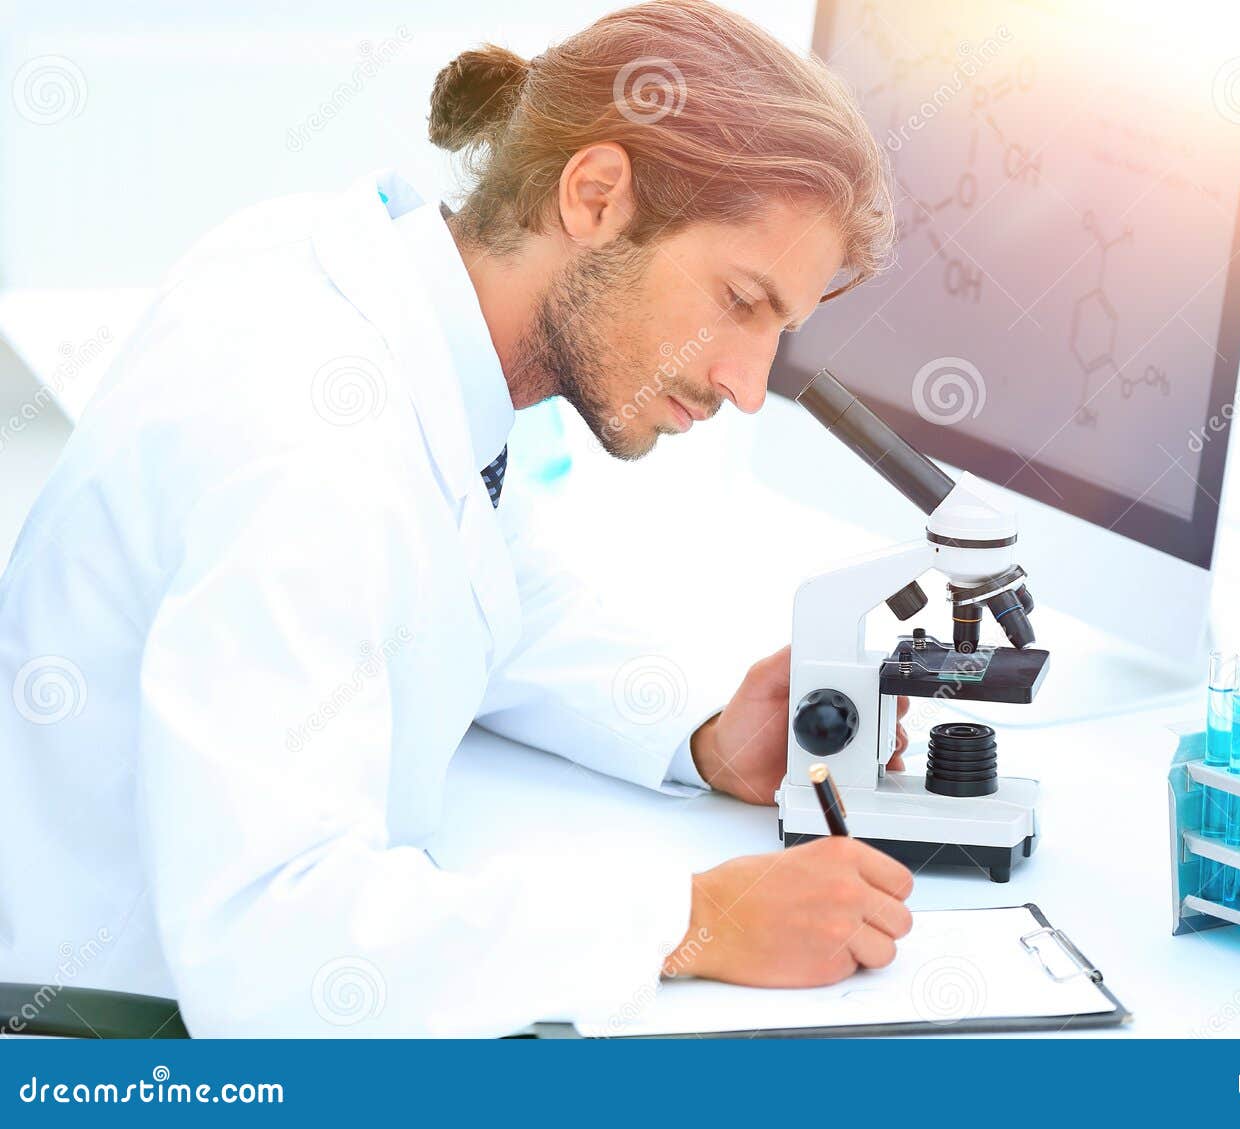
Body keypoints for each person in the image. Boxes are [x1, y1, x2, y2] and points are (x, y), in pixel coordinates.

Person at [0, 0, 915, 1036]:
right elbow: (270, 950)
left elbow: (470, 573)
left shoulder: (371, 288)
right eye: (739, 301)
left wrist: (699, 734)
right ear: (596, 194)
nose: (748, 385)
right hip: (102, 1032)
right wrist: (689, 921)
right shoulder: (310, 450)